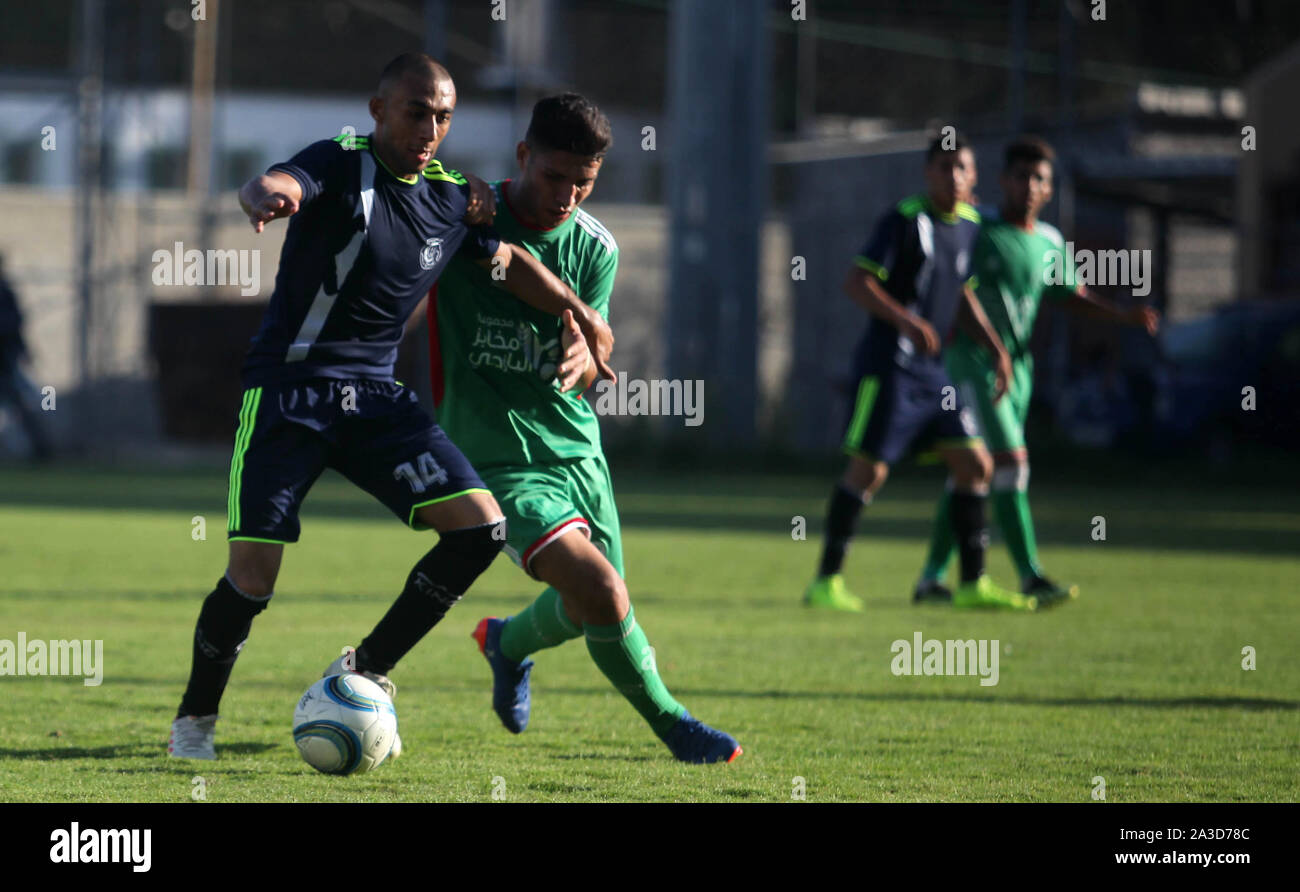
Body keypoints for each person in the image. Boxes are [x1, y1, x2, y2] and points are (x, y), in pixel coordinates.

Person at [168, 53, 614, 760]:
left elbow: (508, 265)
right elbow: (282, 178)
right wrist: (265, 193)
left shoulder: (450, 196)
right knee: (252, 583)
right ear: (379, 110)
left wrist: (578, 309)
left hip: (375, 401)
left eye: (443, 115)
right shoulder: (341, 160)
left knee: (481, 529)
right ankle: (194, 724)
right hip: (291, 394)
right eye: (416, 111)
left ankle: (364, 672)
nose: (430, 126)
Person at [428, 93, 740, 763]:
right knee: (603, 590)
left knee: (592, 608)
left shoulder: (597, 246)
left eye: (584, 183)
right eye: (553, 177)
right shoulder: (465, 214)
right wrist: (463, 186)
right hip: (497, 459)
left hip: (578, 454)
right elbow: (440, 203)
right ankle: (675, 727)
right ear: (522, 157)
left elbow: (594, 348)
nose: (567, 195)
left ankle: (503, 643)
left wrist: (588, 353)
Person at [915, 136, 1160, 604]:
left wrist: (1122, 316)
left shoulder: (1049, 241)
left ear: (1049, 190)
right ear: (1004, 180)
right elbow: (949, 273)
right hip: (972, 363)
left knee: (973, 473)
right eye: (1021, 175)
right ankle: (1031, 575)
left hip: (1019, 369)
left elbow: (1069, 294)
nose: (1029, 185)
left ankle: (930, 578)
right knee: (1011, 463)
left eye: (1039, 178)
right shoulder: (979, 225)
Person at [804, 134, 1034, 613]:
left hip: (935, 375)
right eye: (943, 167)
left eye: (961, 168)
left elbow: (961, 293)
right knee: (868, 472)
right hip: (890, 369)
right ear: (928, 173)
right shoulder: (905, 219)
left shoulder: (970, 224)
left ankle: (973, 584)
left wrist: (996, 347)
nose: (952, 176)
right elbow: (857, 282)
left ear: (973, 177)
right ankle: (826, 582)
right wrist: (906, 319)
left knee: (975, 466)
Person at [0, 253, 53, 461]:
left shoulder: (5, 292)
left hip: (5, 360)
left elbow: (14, 324)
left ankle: (40, 449)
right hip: (7, 358)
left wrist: (22, 349)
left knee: (20, 404)